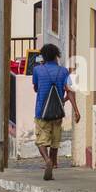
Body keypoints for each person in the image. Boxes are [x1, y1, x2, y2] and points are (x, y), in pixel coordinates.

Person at [32, 43, 79, 180]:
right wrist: (76, 110)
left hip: (41, 112)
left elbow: (35, 88)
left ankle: (47, 160)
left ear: (44, 56)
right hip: (58, 112)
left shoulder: (37, 70)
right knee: (55, 141)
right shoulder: (64, 71)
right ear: (56, 56)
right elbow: (70, 92)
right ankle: (52, 164)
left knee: (41, 141)